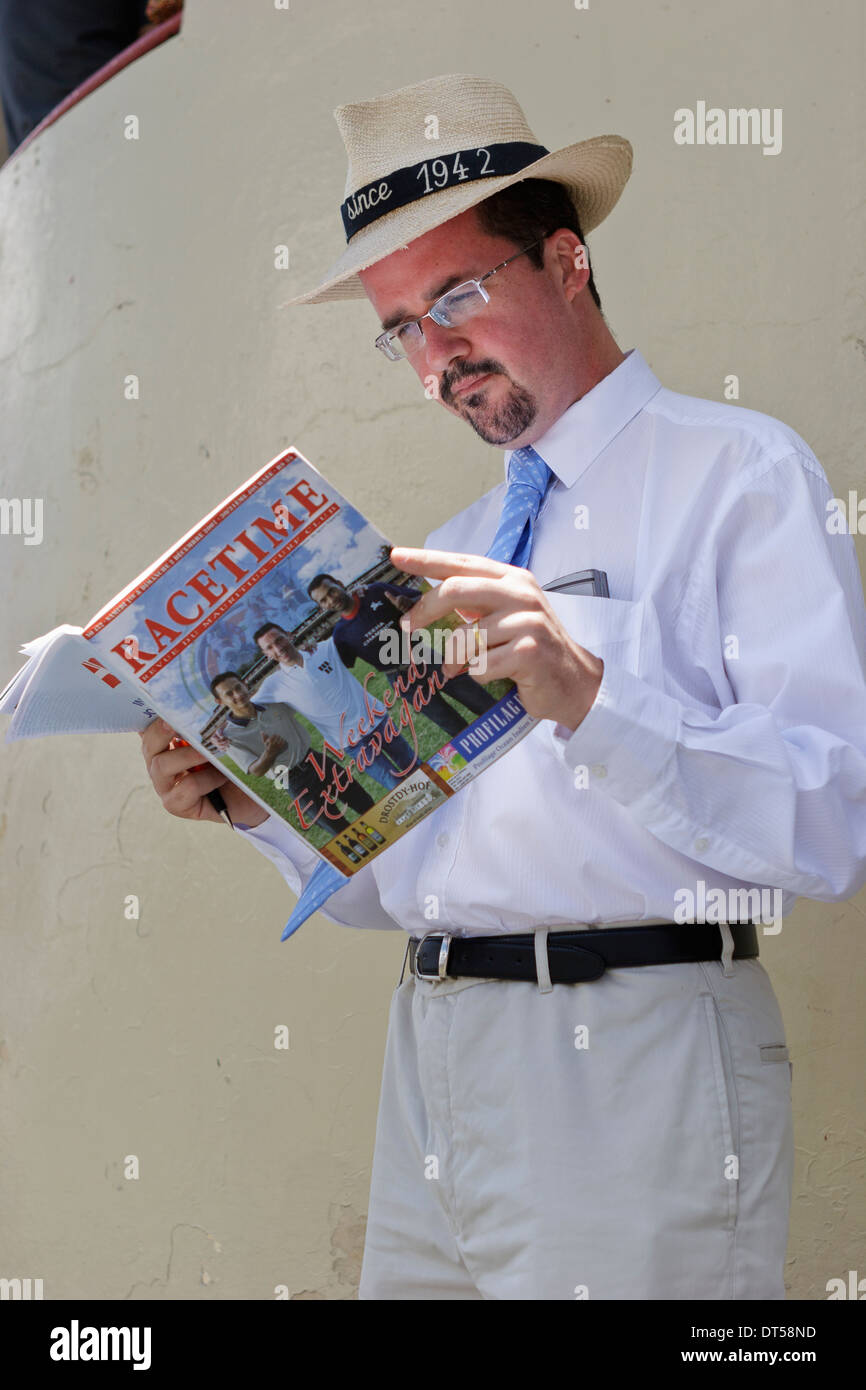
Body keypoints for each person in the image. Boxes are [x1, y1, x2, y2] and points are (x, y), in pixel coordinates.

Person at [140, 73, 866, 1300]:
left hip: (636, 1061)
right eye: (399, 328)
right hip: (432, 1057)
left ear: (567, 260)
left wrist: (591, 692)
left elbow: (833, 820)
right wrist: (254, 798)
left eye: (455, 297)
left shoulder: (736, 472)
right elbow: (414, 876)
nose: (434, 355)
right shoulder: (453, 538)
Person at [307, 571, 498, 738]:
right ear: (321, 607)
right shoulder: (340, 634)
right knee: (452, 725)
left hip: (425, 657)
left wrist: (410, 604)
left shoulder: (375, 591)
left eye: (331, 591)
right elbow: (337, 668)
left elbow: (420, 599)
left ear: (339, 584)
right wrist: (312, 654)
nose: (331, 600)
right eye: (323, 600)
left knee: (478, 699)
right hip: (402, 680)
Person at [252, 620, 417, 788]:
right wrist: (222, 735)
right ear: (266, 654)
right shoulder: (273, 684)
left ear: (289, 635)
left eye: (279, 640)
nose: (278, 648)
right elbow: (242, 710)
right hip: (350, 741)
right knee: (394, 784)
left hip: (377, 721)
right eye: (270, 647)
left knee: (413, 764)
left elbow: (353, 630)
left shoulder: (324, 648)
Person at [208, 670, 374, 834]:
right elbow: (256, 770)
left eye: (238, 687)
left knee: (364, 802)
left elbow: (293, 683)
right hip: (291, 780)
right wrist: (270, 753)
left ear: (245, 684)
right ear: (220, 701)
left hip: (316, 761)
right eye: (229, 694)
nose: (237, 694)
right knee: (337, 828)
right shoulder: (229, 737)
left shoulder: (272, 703)